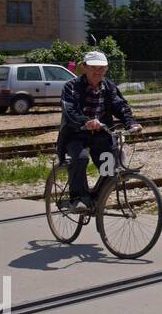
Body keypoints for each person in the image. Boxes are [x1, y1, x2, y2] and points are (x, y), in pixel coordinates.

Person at [60, 51, 141, 214]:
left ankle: (96, 198)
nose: (97, 72)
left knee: (111, 168)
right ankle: (78, 199)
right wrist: (86, 121)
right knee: (80, 158)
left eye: (102, 68)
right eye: (93, 67)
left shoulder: (108, 86)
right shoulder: (71, 87)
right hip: (76, 134)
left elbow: (120, 106)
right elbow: (70, 111)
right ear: (84, 67)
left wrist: (131, 123)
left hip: (101, 135)